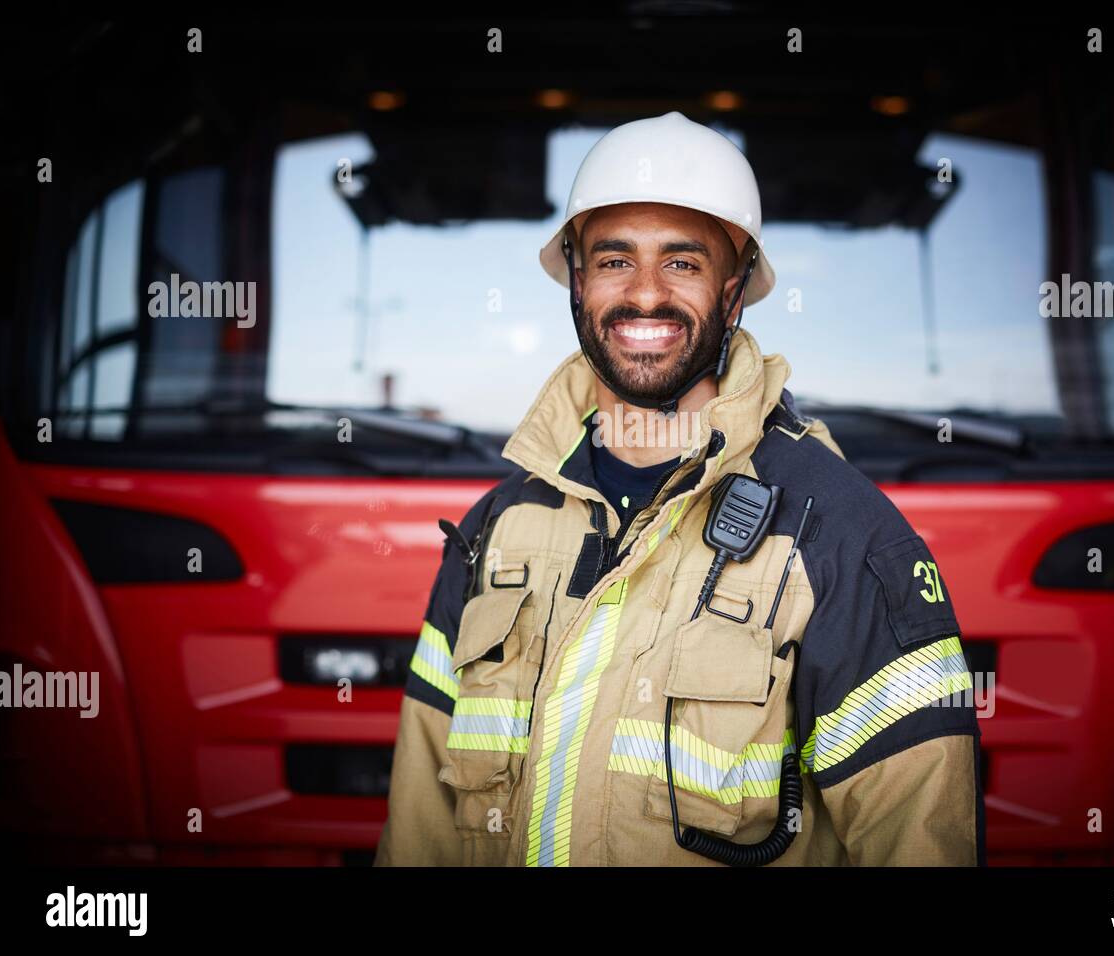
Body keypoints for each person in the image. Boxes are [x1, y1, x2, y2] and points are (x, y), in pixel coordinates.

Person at [376, 111, 984, 866]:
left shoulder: (843, 538)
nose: (645, 296)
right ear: (576, 279)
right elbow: (420, 836)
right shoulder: (497, 530)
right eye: (614, 260)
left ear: (733, 294)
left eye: (683, 263)